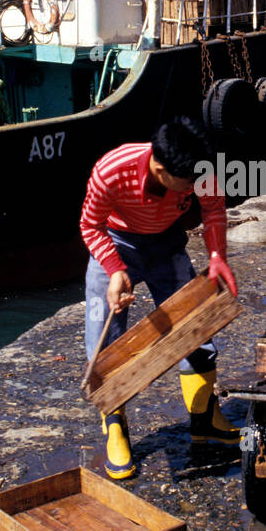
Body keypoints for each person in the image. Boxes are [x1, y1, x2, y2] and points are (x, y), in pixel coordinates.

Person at [79, 117, 240, 479]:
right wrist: (114, 268)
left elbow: (213, 209)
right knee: (104, 340)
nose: (192, 188)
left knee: (196, 324)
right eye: (185, 185)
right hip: (116, 243)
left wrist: (217, 256)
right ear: (160, 168)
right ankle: (115, 427)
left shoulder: (198, 168)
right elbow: (90, 224)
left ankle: (204, 418)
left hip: (167, 243)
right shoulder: (111, 170)